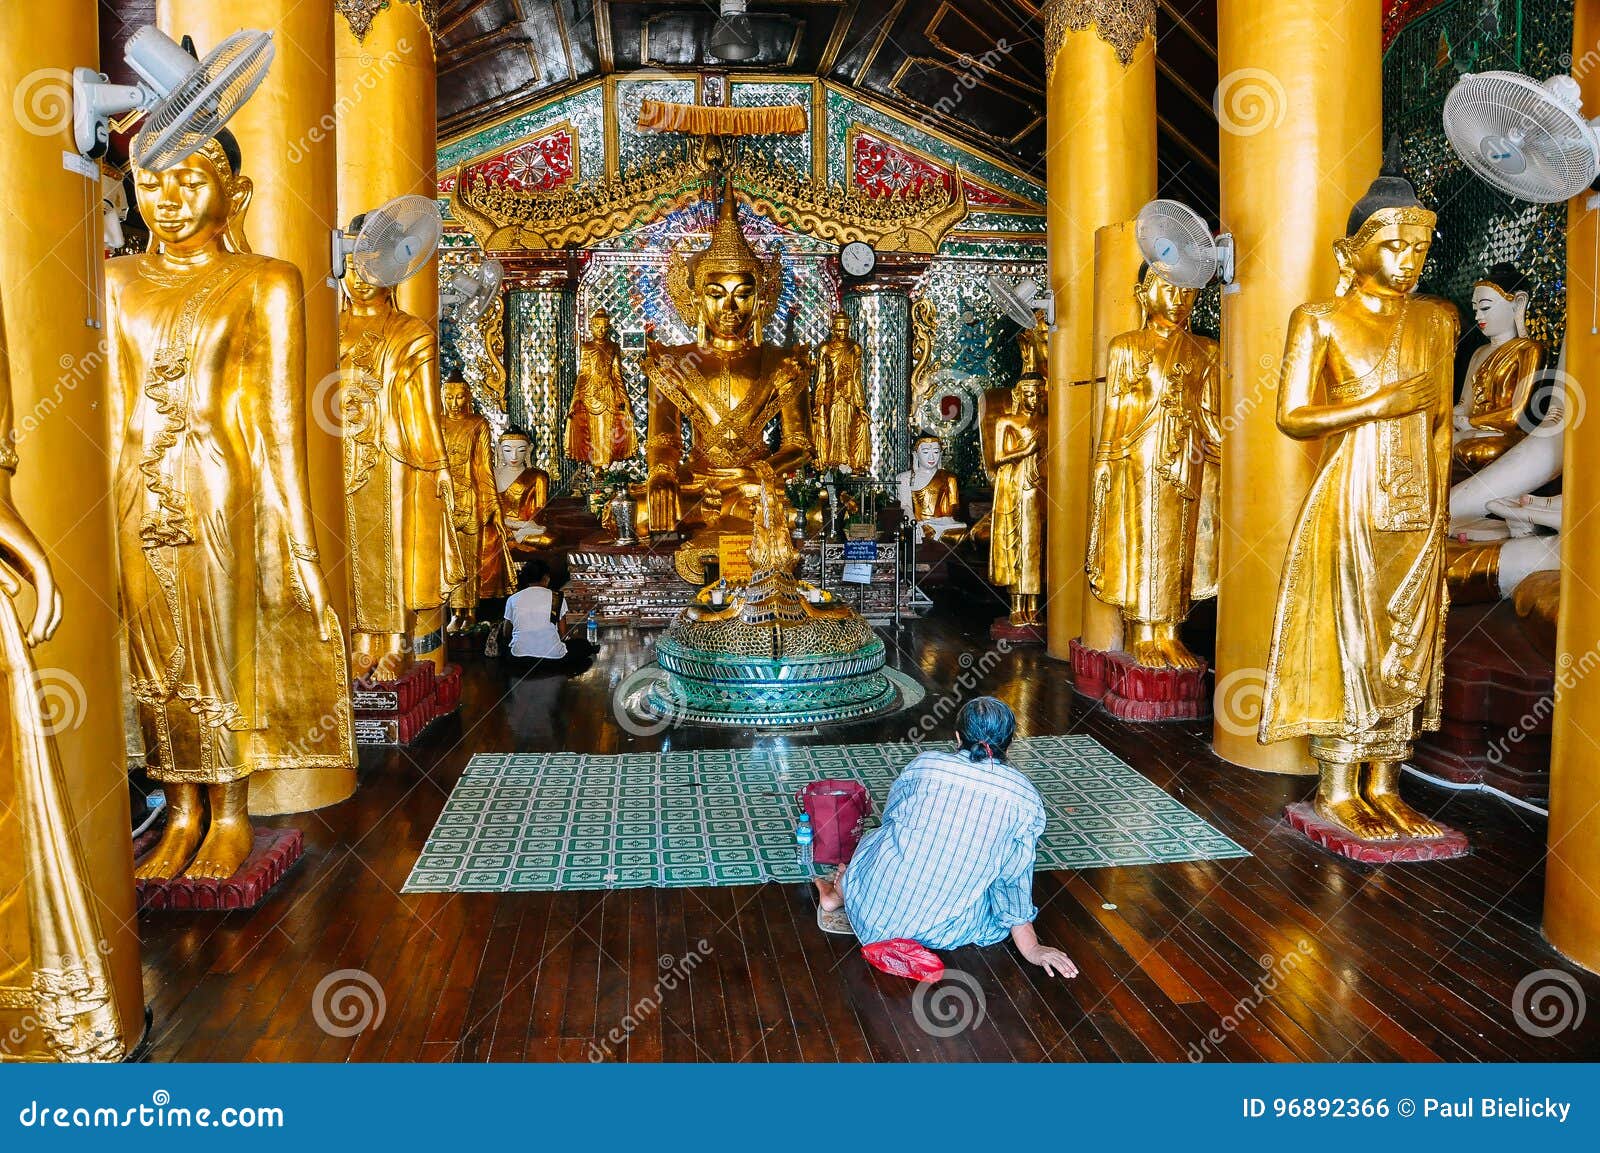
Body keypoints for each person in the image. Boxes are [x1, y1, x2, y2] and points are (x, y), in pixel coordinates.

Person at [814, 697, 1077, 978]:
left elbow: (892, 820)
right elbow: (1012, 878)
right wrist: (1032, 948)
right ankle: (849, 893)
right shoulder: (1026, 798)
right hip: (937, 930)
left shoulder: (925, 764)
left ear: (957, 737)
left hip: (870, 908)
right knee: (991, 898)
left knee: (875, 839)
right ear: (1010, 743)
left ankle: (839, 892)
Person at [497, 558, 595, 676]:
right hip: (552, 659)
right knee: (583, 645)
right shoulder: (556, 597)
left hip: (519, 659)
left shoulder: (513, 599)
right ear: (546, 577)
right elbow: (563, 634)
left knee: (504, 647)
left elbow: (506, 633)